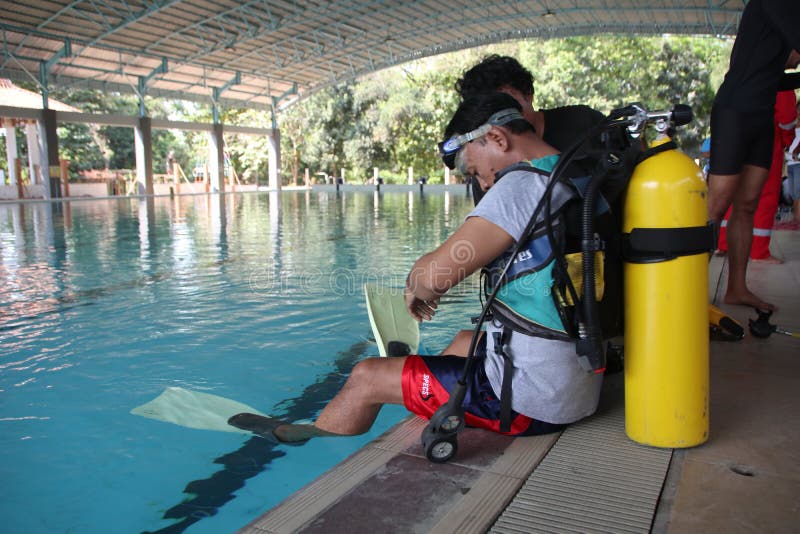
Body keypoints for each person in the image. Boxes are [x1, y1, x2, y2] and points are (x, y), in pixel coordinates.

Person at [229, 93, 603, 443]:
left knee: (365, 377)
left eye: (474, 170)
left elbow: (431, 277)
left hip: (529, 402)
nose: (483, 183)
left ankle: (314, 435)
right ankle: (415, 381)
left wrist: (417, 289)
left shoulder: (519, 187)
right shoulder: (573, 175)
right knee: (461, 341)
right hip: (575, 381)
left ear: (497, 139)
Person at [706, 0, 800, 311]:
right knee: (717, 204)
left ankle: (736, 288)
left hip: (762, 113)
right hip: (734, 110)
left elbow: (778, 73)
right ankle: (687, 286)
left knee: (746, 205)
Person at [454, 55, 606, 202]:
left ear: (528, 94)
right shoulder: (485, 171)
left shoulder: (584, 122)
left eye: (507, 102)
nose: (499, 112)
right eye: (489, 108)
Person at [717, 90, 797, 263]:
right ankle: (759, 251)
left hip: (735, 139)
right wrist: (789, 141)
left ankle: (723, 244)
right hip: (768, 141)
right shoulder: (778, 82)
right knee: (765, 196)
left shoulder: (742, 74)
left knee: (734, 194)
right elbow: (787, 119)